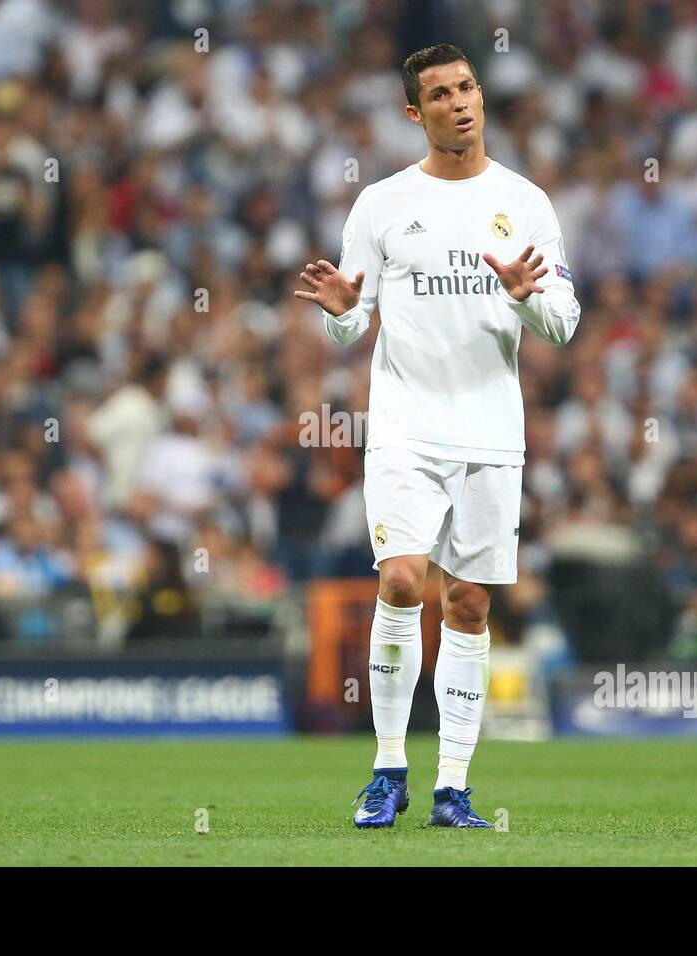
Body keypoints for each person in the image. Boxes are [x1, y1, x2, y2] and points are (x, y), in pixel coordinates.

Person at [294, 44, 581, 829]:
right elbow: (352, 326)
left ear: (481, 96)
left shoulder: (526, 203)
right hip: (404, 428)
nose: (459, 103)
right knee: (399, 583)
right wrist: (340, 310)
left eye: (467, 88)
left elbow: (563, 323)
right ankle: (389, 767)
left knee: (471, 605)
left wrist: (525, 296)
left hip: (490, 431)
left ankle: (454, 785)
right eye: (440, 95)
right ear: (414, 114)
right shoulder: (381, 205)